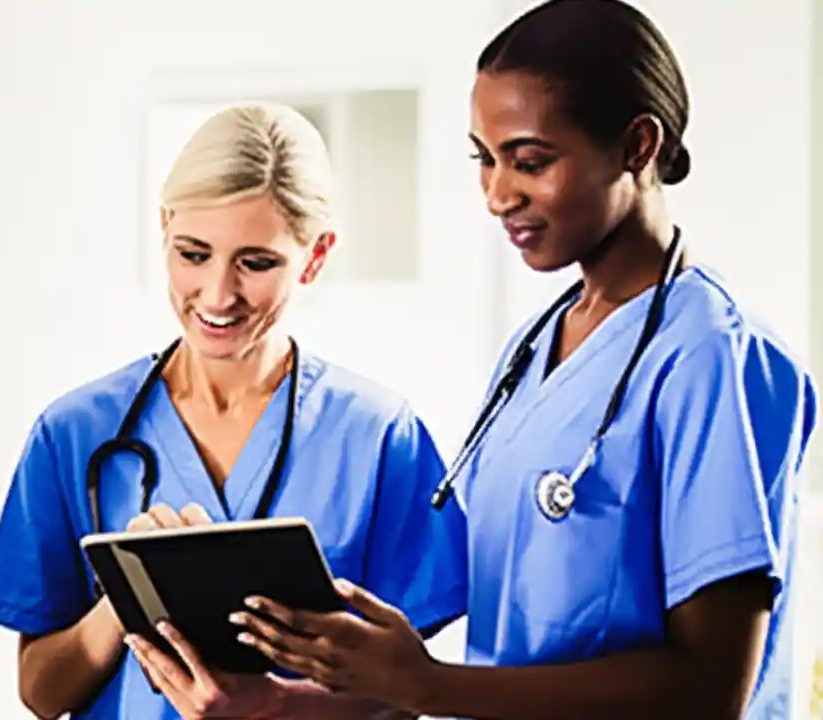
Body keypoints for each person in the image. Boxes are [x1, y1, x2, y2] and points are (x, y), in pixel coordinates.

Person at [130, 2, 819, 719]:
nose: (497, 194)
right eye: (483, 159)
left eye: (530, 161)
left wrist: (424, 681)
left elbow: (710, 690)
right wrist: (275, 703)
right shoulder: (535, 349)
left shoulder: (714, 357)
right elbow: (507, 664)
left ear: (637, 147)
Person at [0, 102, 468, 719]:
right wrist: (128, 592)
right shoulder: (75, 433)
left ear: (314, 256)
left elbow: (406, 691)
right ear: (163, 229)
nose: (217, 295)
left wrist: (276, 707)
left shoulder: (376, 435)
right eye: (193, 253)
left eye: (256, 263)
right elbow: (42, 693)